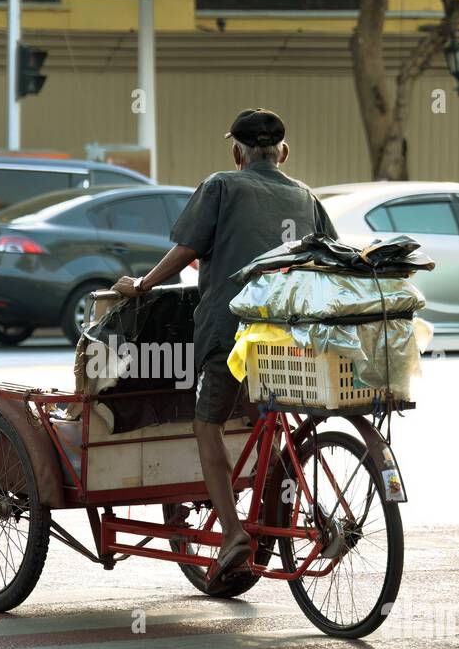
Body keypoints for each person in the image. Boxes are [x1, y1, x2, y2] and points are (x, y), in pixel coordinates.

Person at [111, 108, 338, 578]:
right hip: (291, 336)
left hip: (231, 333)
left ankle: (234, 534)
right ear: (284, 153)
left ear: (237, 152)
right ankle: (278, 507)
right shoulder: (306, 196)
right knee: (266, 416)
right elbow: (327, 257)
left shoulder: (222, 185)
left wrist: (144, 285)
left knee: (206, 422)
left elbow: (185, 251)